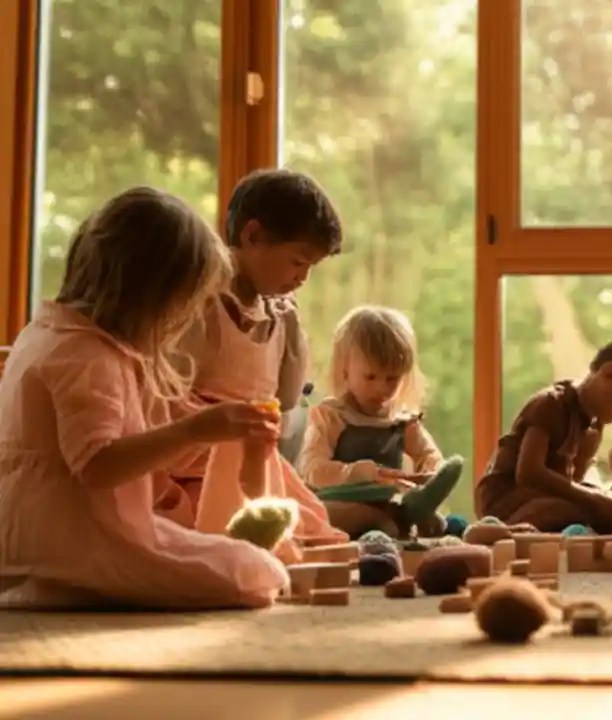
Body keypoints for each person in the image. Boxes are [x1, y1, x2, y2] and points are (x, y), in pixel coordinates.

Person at [0, 187, 288, 609]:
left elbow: (134, 427)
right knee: (256, 574)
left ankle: (50, 580)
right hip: (74, 539)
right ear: (149, 293)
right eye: (181, 304)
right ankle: (62, 585)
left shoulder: (49, 333)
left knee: (226, 555)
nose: (182, 318)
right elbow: (98, 464)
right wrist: (194, 430)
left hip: (30, 533)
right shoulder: (86, 355)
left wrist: (214, 427)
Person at [160, 169, 347, 555]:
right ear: (252, 235)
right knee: (206, 528)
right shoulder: (203, 303)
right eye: (297, 262)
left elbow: (288, 396)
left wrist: (292, 331)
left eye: (311, 267)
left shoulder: (276, 313)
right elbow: (165, 398)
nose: (302, 278)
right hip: (192, 464)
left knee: (311, 523)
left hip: (255, 461)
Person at [297, 305, 464, 538]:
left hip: (385, 502)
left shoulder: (400, 420)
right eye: (371, 376)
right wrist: (369, 473)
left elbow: (430, 456)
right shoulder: (331, 416)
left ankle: (412, 515)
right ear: (345, 369)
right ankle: (392, 531)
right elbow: (313, 470)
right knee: (380, 524)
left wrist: (426, 475)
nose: (381, 388)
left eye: (392, 379)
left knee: (432, 524)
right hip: (334, 504)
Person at [475, 332, 612, 532]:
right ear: (609, 373)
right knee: (573, 510)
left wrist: (605, 493)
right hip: (508, 498)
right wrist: (592, 498)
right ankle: (500, 531)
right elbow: (529, 473)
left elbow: (575, 481)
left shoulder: (593, 427)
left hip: (544, 498)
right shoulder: (550, 404)